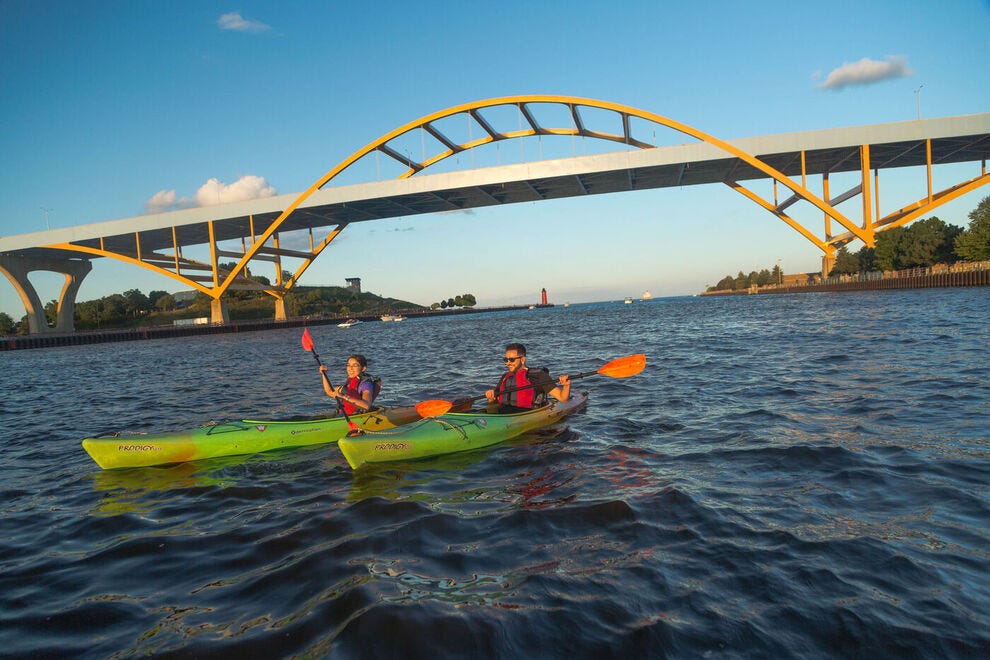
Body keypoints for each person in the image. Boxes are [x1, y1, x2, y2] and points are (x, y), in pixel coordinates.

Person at [485, 343, 570, 413]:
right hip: (503, 414)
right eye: (505, 360)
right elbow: (494, 404)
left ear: (522, 359)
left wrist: (566, 385)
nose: (508, 363)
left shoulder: (537, 375)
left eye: (511, 360)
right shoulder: (505, 377)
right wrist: (491, 399)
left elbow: (563, 398)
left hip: (526, 414)